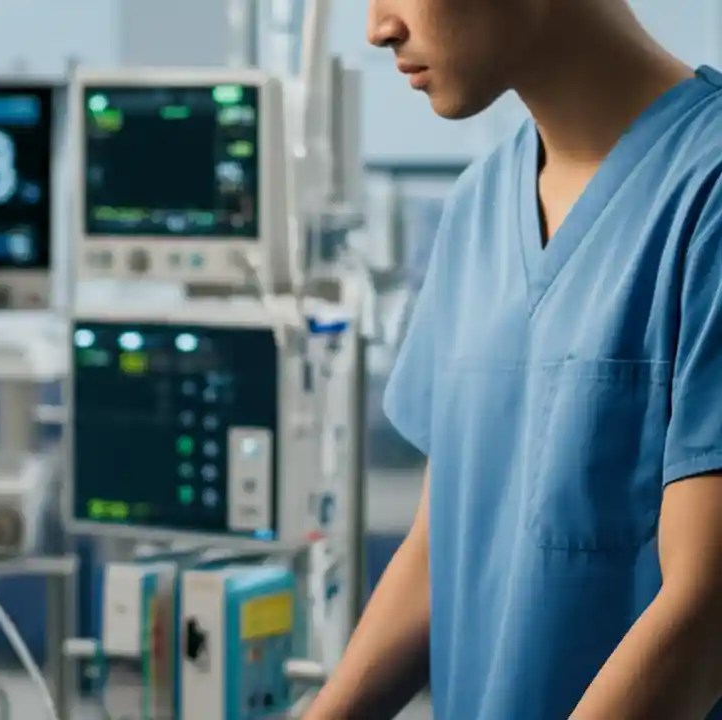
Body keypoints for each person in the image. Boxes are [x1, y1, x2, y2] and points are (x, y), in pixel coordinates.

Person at [306, 1, 722, 718]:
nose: (378, 28)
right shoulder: (476, 206)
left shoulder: (705, 195)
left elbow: (708, 607)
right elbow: (442, 548)